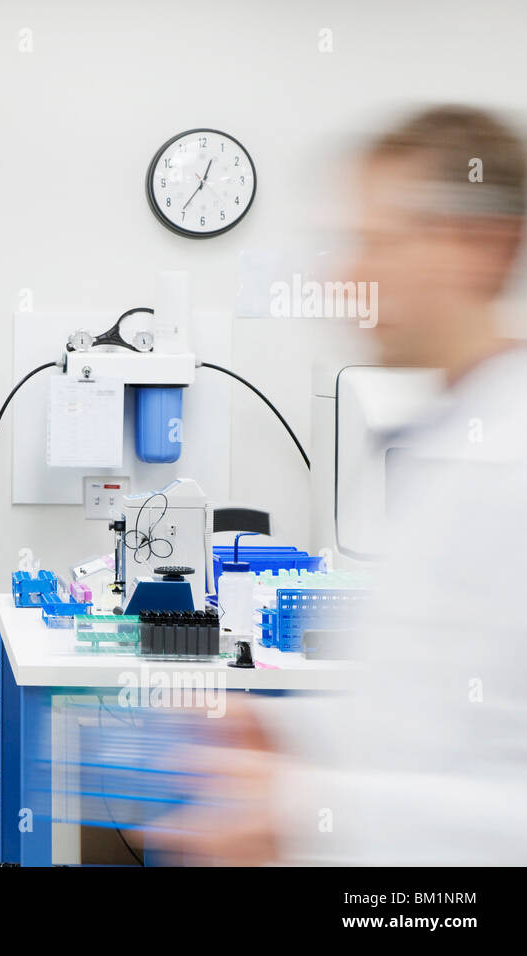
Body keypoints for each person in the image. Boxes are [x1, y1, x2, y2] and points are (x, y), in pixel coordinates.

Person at [154, 104, 527, 864]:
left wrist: (302, 804)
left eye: (378, 243)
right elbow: (423, 719)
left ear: (483, 247)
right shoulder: (435, 439)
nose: (345, 276)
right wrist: (284, 746)